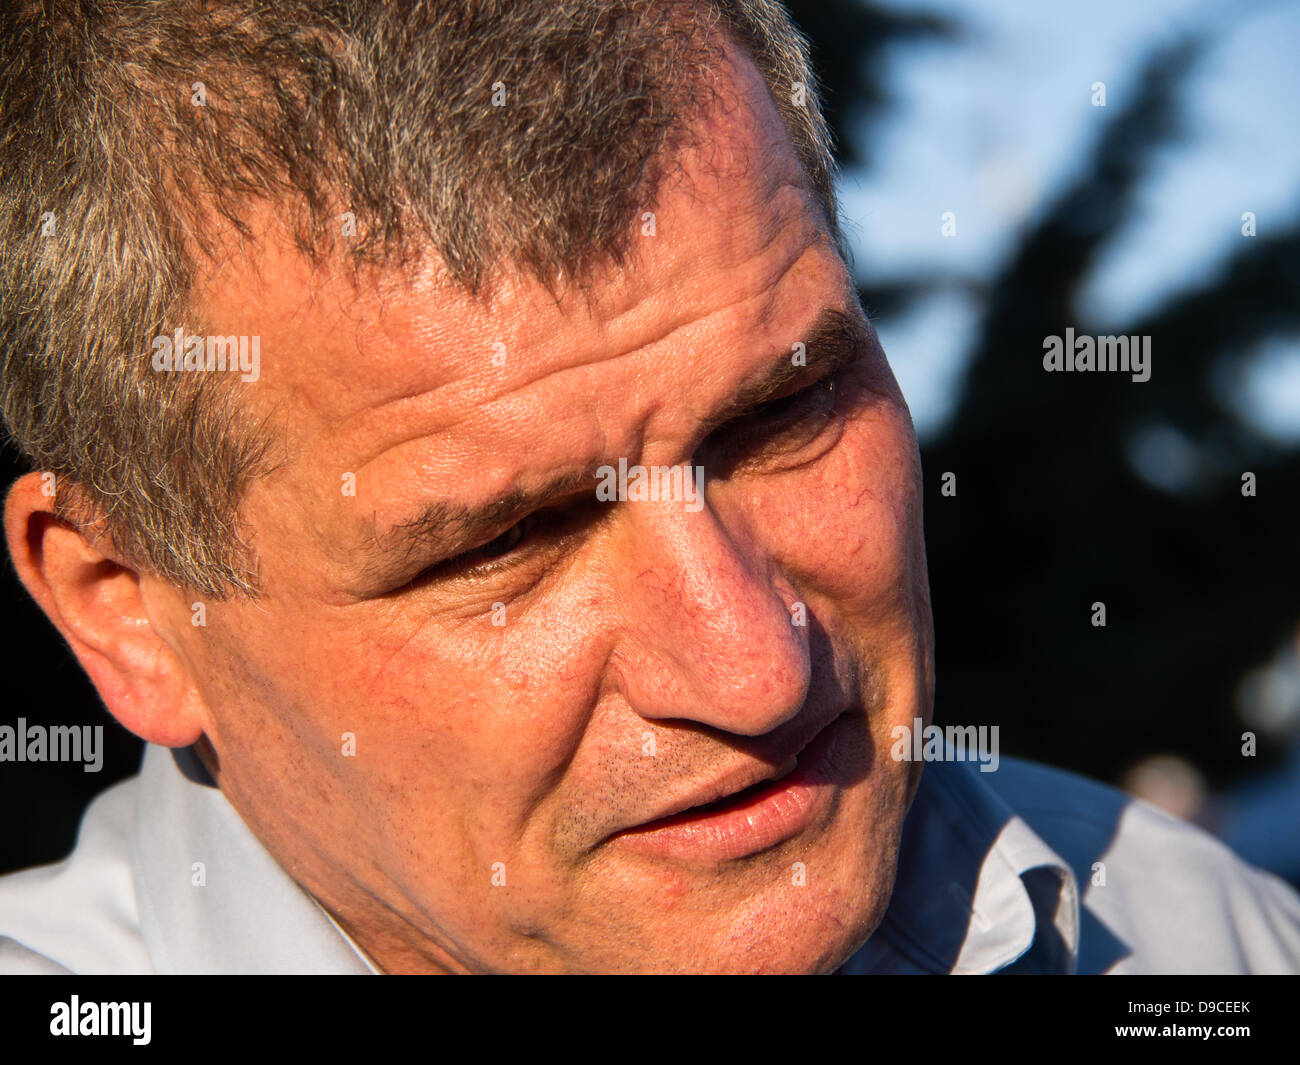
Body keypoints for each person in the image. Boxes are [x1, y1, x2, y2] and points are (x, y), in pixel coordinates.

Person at [0, 0, 1296, 975]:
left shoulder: (1198, 935)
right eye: (509, 540)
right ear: (125, 606)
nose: (757, 671)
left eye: (784, 410)